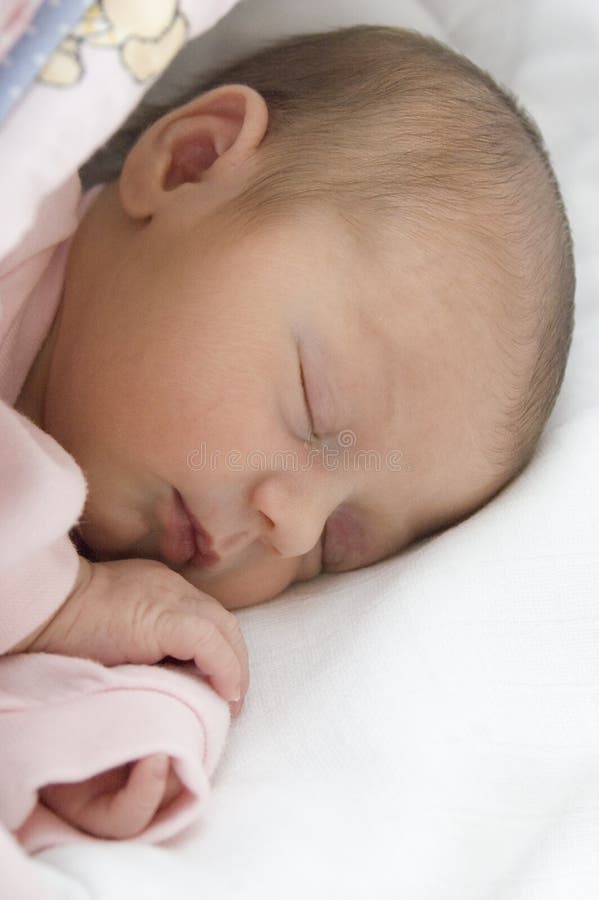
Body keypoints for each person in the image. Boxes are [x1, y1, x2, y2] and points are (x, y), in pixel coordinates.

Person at [1, 25, 575, 835]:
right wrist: (56, 603)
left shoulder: (85, 579)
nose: (291, 525)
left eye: (336, 544)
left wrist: (112, 726)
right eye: (316, 408)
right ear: (189, 164)